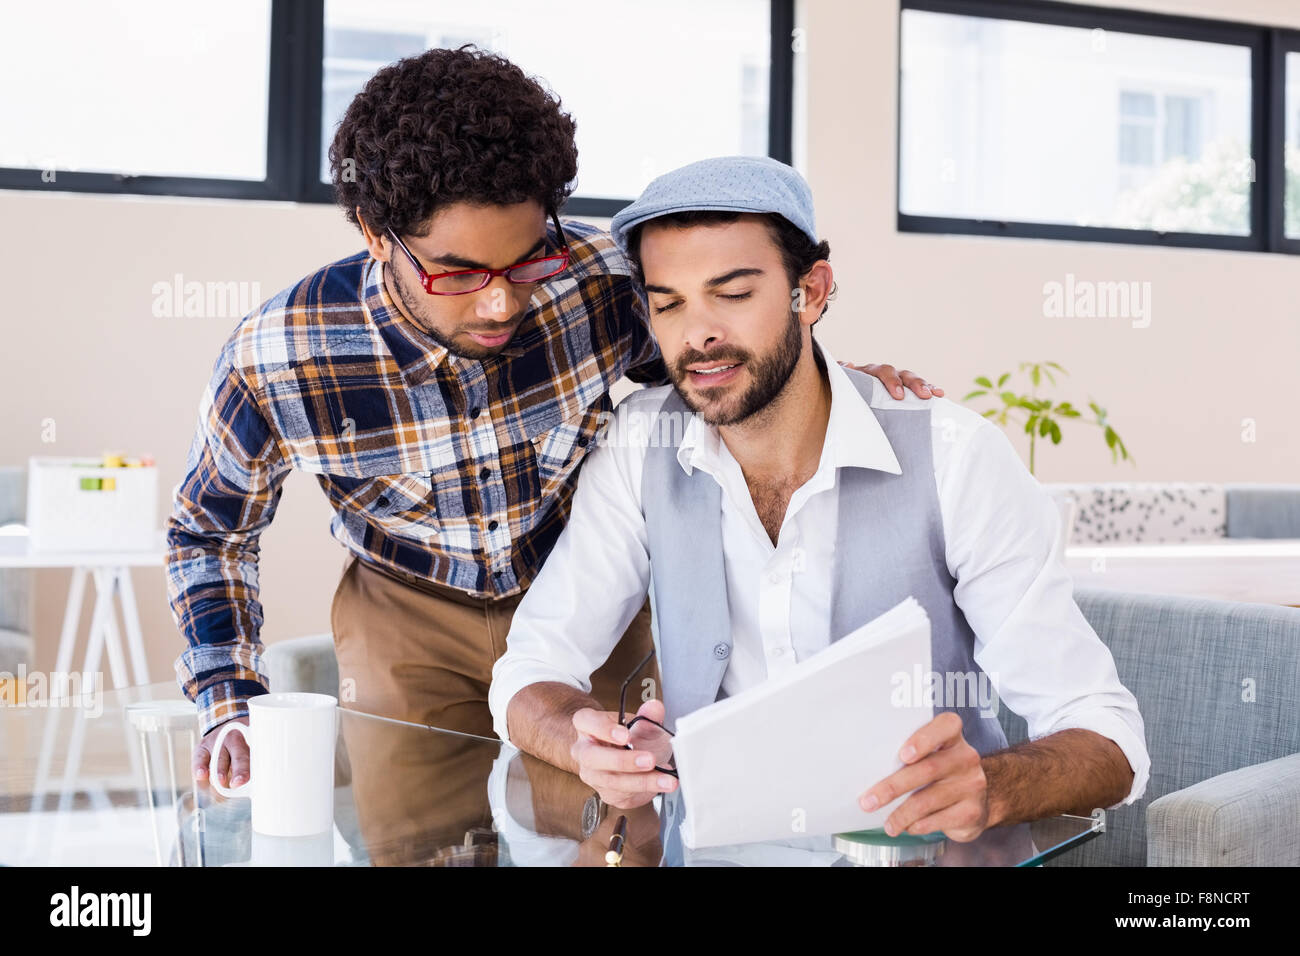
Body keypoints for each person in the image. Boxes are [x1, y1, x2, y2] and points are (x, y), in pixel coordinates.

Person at [168, 47, 938, 801]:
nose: (501, 302)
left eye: (527, 260)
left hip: (579, 594)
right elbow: (209, 531)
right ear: (376, 234)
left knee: (626, 824)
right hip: (405, 612)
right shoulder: (280, 356)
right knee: (418, 850)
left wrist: (825, 379)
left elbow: (721, 359)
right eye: (460, 273)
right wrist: (226, 698)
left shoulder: (600, 284)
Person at [490, 155, 1150, 843]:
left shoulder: (956, 456)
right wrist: (581, 740)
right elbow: (531, 667)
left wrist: (991, 787)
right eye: (669, 303)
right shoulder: (638, 445)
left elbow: (1110, 739)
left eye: (734, 294)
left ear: (812, 291)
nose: (698, 334)